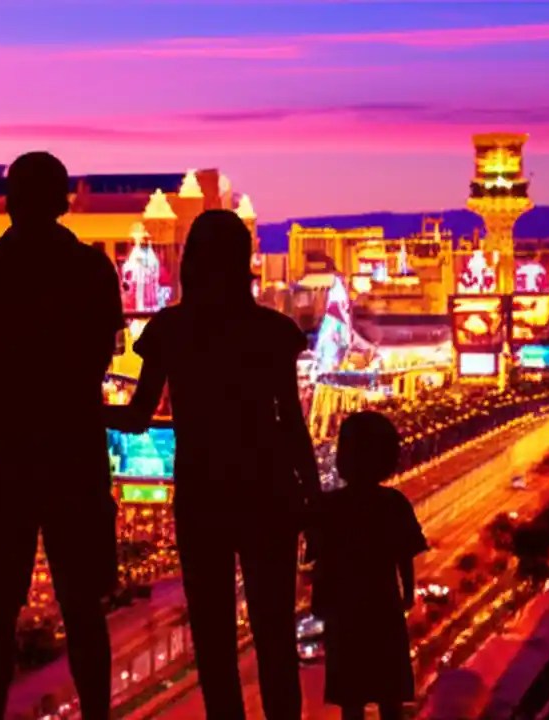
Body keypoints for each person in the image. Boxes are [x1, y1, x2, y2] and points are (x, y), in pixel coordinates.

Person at [0, 151, 124, 720]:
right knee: (83, 607)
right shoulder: (91, 270)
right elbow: (94, 366)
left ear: (10, 200)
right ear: (64, 203)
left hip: (6, 457)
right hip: (74, 455)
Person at [105, 209, 317, 720]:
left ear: (192, 261)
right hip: (271, 491)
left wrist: (78, 410)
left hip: (203, 494)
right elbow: (290, 423)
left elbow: (137, 416)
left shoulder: (170, 329)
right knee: (274, 634)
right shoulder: (273, 331)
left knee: (215, 640)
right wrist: (314, 501)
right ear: (243, 260)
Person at [310, 411, 426, 720]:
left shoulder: (331, 507)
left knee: (352, 696)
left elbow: (323, 560)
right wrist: (407, 594)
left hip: (345, 610)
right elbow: (405, 556)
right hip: (382, 607)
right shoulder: (394, 504)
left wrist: (320, 600)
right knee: (389, 694)